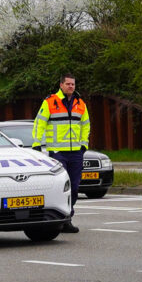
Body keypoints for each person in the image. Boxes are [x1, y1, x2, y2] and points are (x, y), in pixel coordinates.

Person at [30, 72, 91, 233]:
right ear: (61, 85)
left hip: (76, 153)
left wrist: (84, 144)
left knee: (75, 188)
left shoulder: (80, 103)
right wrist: (37, 144)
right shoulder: (50, 102)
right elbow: (39, 123)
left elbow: (86, 125)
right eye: (68, 84)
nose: (71, 86)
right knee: (61, 187)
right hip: (58, 152)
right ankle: (61, 220)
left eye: (73, 84)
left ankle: (67, 218)